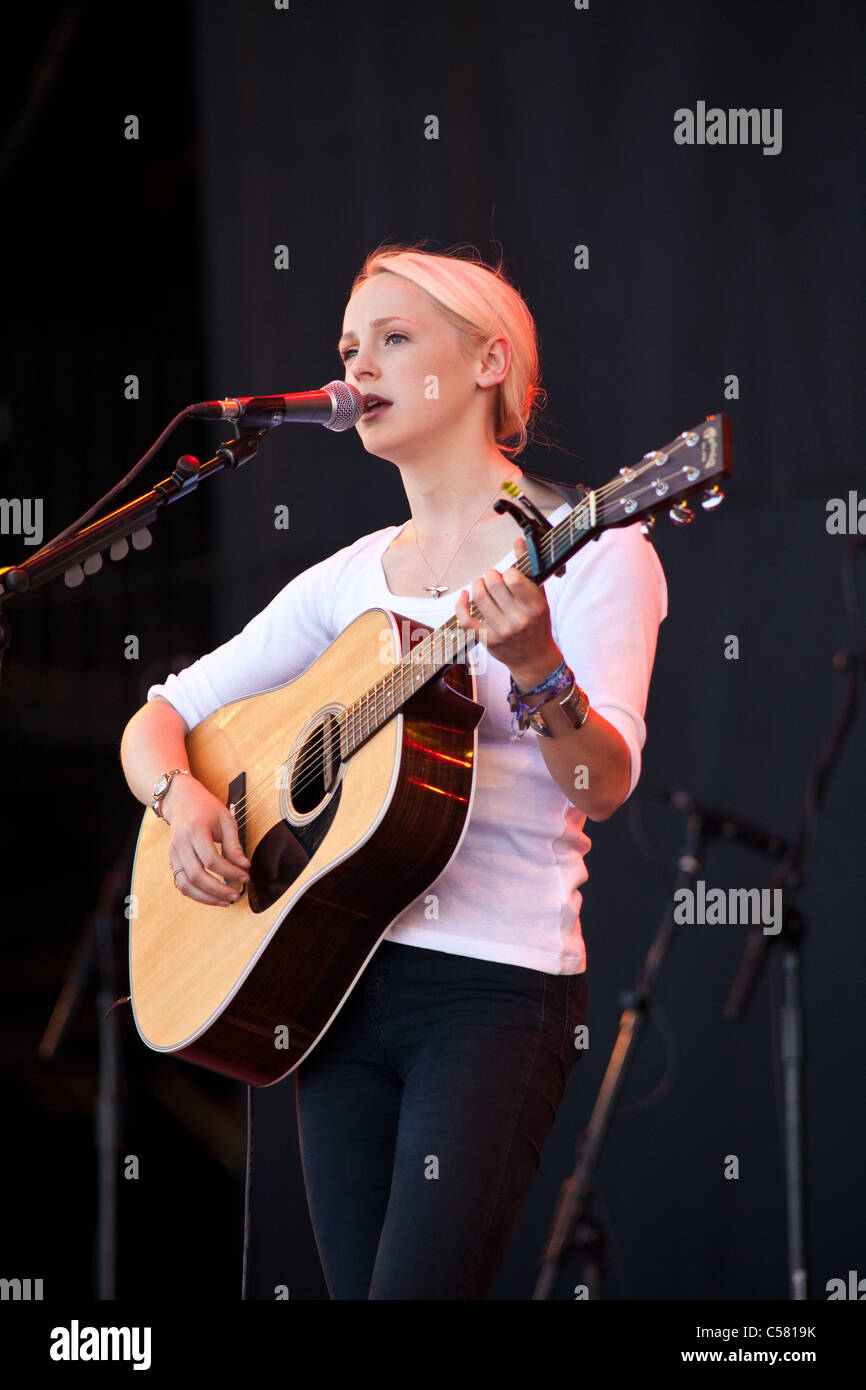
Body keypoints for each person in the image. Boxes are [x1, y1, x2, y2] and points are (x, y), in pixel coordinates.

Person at [120, 241, 668, 1299]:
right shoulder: (344, 584)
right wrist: (180, 795)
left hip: (492, 990)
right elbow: (160, 715)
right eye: (344, 346)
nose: (352, 368)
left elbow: (603, 784)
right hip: (331, 982)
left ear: (486, 362)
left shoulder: (596, 550)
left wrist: (537, 668)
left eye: (391, 338)